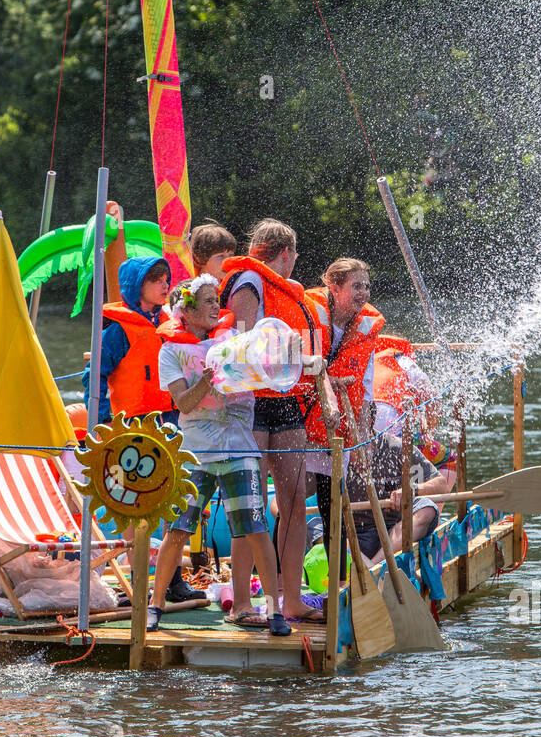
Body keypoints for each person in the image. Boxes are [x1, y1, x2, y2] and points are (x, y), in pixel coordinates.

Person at [151, 275, 289, 635]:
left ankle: (275, 612)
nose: (217, 306)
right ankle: (156, 605)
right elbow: (183, 402)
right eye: (209, 301)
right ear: (188, 309)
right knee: (178, 530)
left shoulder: (234, 341)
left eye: (217, 300)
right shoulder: (170, 352)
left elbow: (269, 368)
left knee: (257, 529)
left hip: (240, 449)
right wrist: (208, 379)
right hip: (195, 454)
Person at [219, 219, 326, 624]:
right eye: (294, 255)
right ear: (285, 253)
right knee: (252, 505)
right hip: (251, 405)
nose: (295, 262)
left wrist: (301, 363)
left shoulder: (287, 292)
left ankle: (292, 600)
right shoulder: (249, 281)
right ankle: (244, 603)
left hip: (286, 402)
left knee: (295, 500)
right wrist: (295, 360)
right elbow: (242, 343)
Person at [301, 258, 385, 562]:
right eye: (356, 286)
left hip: (338, 424)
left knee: (334, 504)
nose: (364, 292)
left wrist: (365, 433)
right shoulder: (310, 314)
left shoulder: (366, 327)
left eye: (367, 286)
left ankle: (337, 585)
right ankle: (284, 583)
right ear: (334, 288)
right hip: (304, 418)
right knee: (294, 502)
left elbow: (367, 385)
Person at [81, 256, 176, 427]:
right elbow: (94, 375)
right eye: (157, 280)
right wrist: (103, 420)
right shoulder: (118, 331)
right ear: (137, 286)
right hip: (135, 422)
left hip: (172, 417)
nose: (165, 285)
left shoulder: (169, 322)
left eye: (165, 280)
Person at [346, 428, 452, 564]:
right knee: (320, 524)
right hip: (349, 538)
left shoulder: (396, 447)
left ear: (370, 423)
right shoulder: (333, 453)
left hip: (392, 534)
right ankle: (372, 569)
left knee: (428, 508)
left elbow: (441, 484)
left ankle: (376, 566)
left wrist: (411, 489)